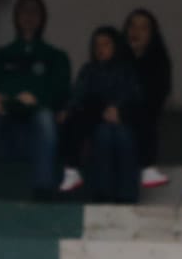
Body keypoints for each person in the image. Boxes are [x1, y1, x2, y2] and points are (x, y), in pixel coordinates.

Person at [0, 0, 70, 201]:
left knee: (44, 117)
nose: (29, 17)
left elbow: (61, 91)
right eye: (24, 11)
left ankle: (43, 188)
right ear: (15, 17)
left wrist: (37, 100)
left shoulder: (55, 57)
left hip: (36, 131)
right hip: (5, 130)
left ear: (43, 18)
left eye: (34, 12)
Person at [58, 28, 142, 204]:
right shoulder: (89, 71)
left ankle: (126, 196)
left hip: (122, 120)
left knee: (122, 136)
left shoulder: (126, 70)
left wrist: (118, 110)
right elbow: (78, 97)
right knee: (103, 134)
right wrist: (69, 110)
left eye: (106, 44)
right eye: (96, 45)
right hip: (94, 122)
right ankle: (102, 194)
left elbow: (134, 97)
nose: (100, 49)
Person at [123, 8, 172, 189]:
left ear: (152, 34)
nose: (136, 32)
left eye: (143, 28)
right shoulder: (116, 57)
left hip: (138, 121)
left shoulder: (159, 63)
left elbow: (153, 100)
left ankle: (147, 168)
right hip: (109, 121)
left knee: (142, 120)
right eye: (133, 26)